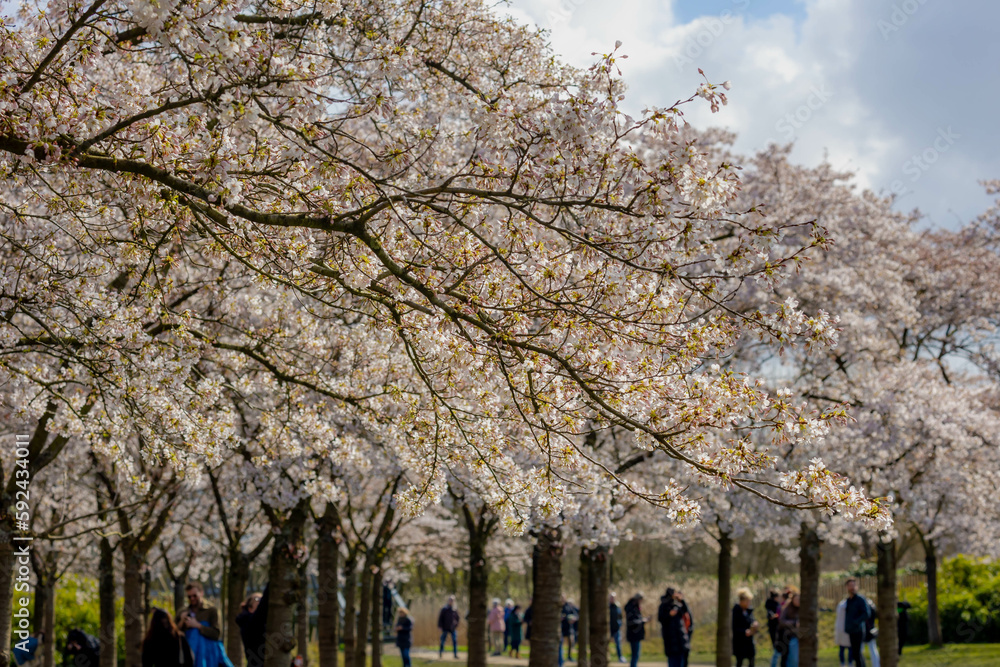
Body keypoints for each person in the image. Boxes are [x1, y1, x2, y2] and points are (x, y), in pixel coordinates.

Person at [176, 582, 229, 667]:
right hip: (188, 654)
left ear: (201, 593)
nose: (192, 598)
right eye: (189, 597)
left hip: (207, 654)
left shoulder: (211, 610)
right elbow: (175, 633)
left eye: (194, 595)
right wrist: (182, 621)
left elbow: (217, 634)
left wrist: (198, 626)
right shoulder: (183, 612)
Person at [235, 587, 269, 667]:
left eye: (261, 599)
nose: (260, 601)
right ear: (250, 608)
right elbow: (262, 608)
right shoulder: (248, 623)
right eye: (257, 599)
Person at [843, 578, 871, 667]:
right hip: (851, 630)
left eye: (853, 585)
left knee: (857, 653)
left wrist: (856, 622)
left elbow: (866, 613)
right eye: (850, 586)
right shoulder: (848, 601)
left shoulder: (860, 599)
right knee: (855, 653)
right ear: (847, 587)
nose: (852, 588)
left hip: (858, 630)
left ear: (857, 586)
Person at [658, 588, 689, 667]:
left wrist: (681, 600)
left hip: (680, 639)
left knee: (681, 662)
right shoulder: (664, 606)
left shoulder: (677, 605)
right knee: (673, 661)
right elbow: (660, 619)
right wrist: (669, 615)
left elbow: (685, 611)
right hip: (670, 640)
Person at [732, 588, 759, 667]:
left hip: (749, 641)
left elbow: (752, 620)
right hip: (739, 642)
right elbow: (734, 627)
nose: (749, 603)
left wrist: (755, 623)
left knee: (751, 660)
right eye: (747, 601)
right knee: (739, 662)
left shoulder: (749, 611)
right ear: (742, 601)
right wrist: (744, 631)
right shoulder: (736, 611)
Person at [777, 591, 800, 667]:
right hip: (789, 637)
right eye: (796, 599)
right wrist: (794, 623)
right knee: (790, 659)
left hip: (800, 637)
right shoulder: (787, 608)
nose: (798, 601)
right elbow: (782, 621)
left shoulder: (803, 609)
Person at [623, 593, 646, 667]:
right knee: (635, 655)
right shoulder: (631, 608)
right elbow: (631, 622)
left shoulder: (635, 607)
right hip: (633, 635)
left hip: (636, 635)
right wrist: (642, 621)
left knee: (636, 655)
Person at [560, 597, 579, 664]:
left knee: (570, 643)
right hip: (561, 629)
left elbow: (576, 615)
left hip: (569, 628)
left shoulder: (568, 607)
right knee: (560, 644)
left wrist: (573, 618)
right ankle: (560, 658)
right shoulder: (558, 607)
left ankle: (569, 656)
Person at [765, 591, 781, 667]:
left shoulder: (775, 604)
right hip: (774, 628)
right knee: (776, 646)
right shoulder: (772, 606)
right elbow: (770, 614)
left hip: (776, 628)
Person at [834, 595, 851, 667]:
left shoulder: (840, 605)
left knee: (845, 649)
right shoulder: (844, 605)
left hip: (843, 630)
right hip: (844, 630)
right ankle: (846, 663)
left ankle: (845, 663)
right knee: (845, 649)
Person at [609, 593, 625, 663]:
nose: (612, 599)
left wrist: (620, 624)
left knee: (618, 644)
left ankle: (620, 657)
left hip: (616, 629)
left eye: (613, 598)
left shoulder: (617, 607)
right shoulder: (606, 607)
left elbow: (620, 617)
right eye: (611, 598)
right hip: (608, 629)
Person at [864, 599, 880, 667]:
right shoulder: (873, 607)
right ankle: (876, 665)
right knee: (873, 649)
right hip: (870, 631)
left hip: (867, 632)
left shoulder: (867, 609)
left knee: (870, 650)